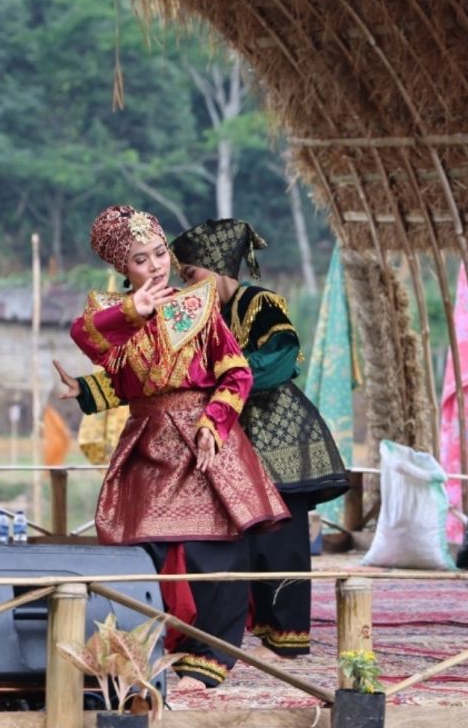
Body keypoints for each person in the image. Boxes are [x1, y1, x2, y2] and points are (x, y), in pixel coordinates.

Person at [66, 218, 349, 658]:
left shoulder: (229, 306)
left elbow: (259, 364)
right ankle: (158, 638)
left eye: (167, 257)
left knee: (258, 540)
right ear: (124, 266)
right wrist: (97, 376)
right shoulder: (112, 313)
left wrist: (210, 406)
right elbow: (110, 356)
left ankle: (261, 639)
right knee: (148, 540)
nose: (163, 269)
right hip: (158, 436)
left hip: (258, 429)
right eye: (143, 260)